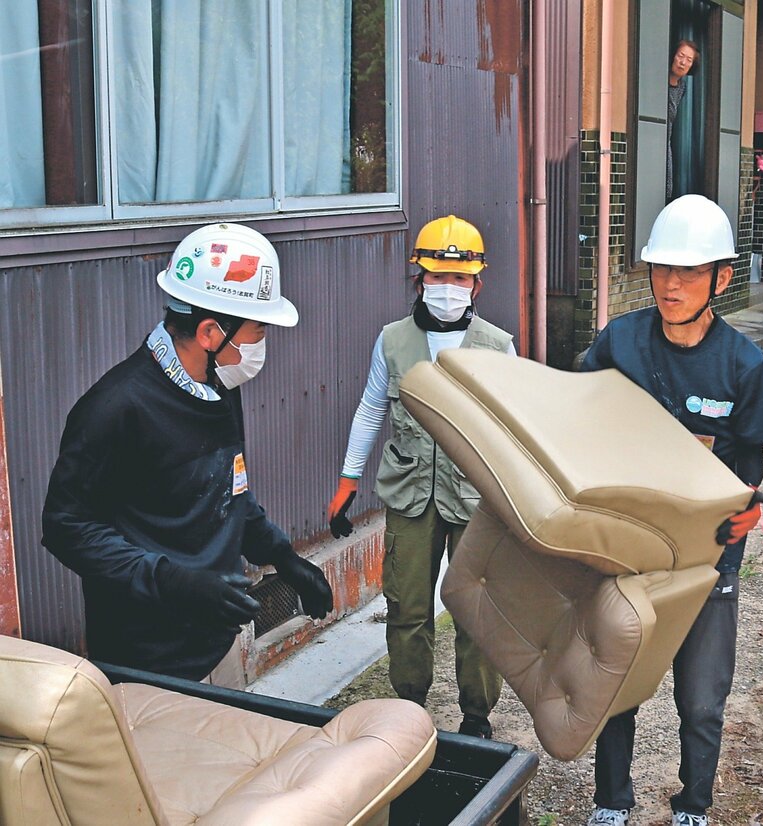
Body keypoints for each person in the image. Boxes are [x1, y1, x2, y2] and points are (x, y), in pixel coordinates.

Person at [42, 223, 333, 680]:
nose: (262, 343)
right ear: (211, 332)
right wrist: (173, 580)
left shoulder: (218, 387)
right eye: (258, 329)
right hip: (146, 660)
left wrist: (284, 557)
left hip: (216, 639)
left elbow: (229, 491)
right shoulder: (116, 407)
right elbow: (66, 528)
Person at [579, 195, 763, 826]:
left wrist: (743, 520)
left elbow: (749, 464)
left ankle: (693, 807)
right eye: (663, 269)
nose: (671, 284)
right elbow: (578, 418)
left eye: (689, 273)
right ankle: (612, 803)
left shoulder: (744, 364)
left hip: (707, 554)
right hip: (628, 547)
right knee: (618, 685)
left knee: (701, 699)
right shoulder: (621, 343)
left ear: (721, 277)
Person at [326, 214, 514, 738]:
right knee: (407, 609)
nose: (447, 288)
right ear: (419, 279)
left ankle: (477, 717)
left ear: (478, 281)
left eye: (458, 278)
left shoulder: (498, 346)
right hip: (410, 495)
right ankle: (410, 709)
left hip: (477, 501)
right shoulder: (391, 341)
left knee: (479, 613)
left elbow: (516, 429)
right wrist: (347, 482)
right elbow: (369, 411)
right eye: (437, 276)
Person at [667, 39, 699, 201]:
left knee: (667, 186)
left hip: (667, 140)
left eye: (689, 60)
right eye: (681, 56)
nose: (683, 62)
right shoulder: (660, 79)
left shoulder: (682, 86)